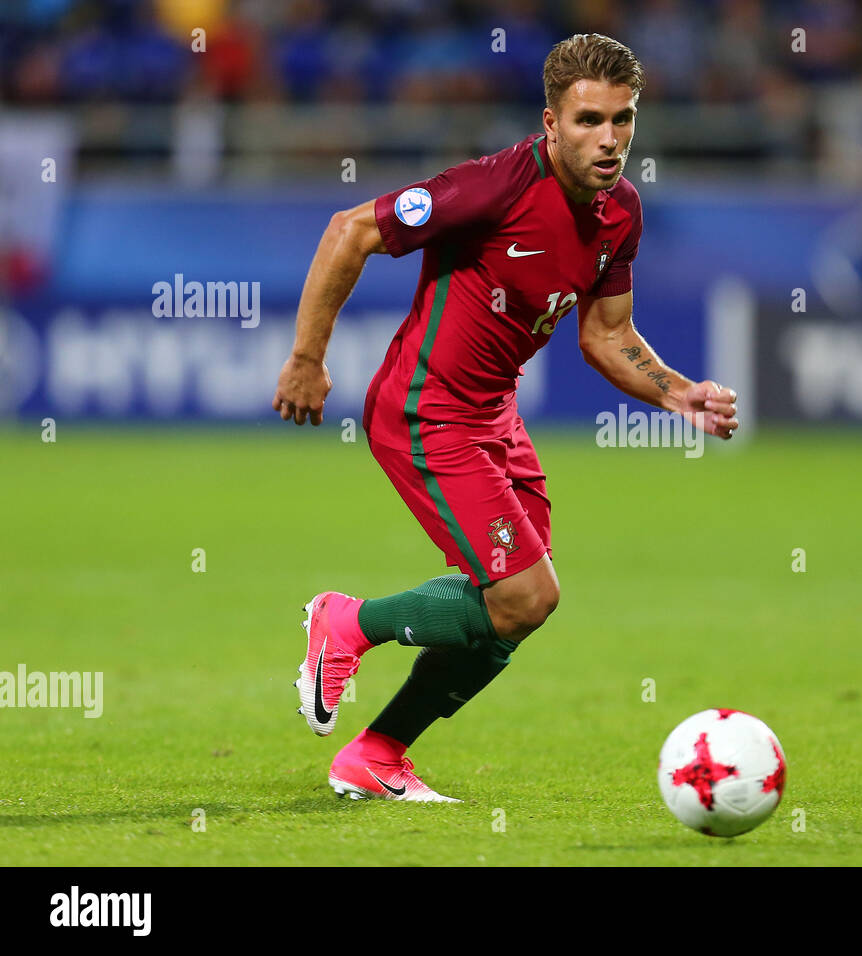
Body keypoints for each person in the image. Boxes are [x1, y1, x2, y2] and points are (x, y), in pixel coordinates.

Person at [271, 33, 740, 801]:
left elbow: (607, 334)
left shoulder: (620, 212)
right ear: (550, 123)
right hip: (425, 412)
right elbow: (350, 230)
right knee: (526, 594)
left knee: (516, 612)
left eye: (623, 120)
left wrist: (675, 392)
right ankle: (346, 622)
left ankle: (377, 754)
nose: (610, 139)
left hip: (494, 417)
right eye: (589, 120)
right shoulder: (491, 188)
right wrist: (306, 359)